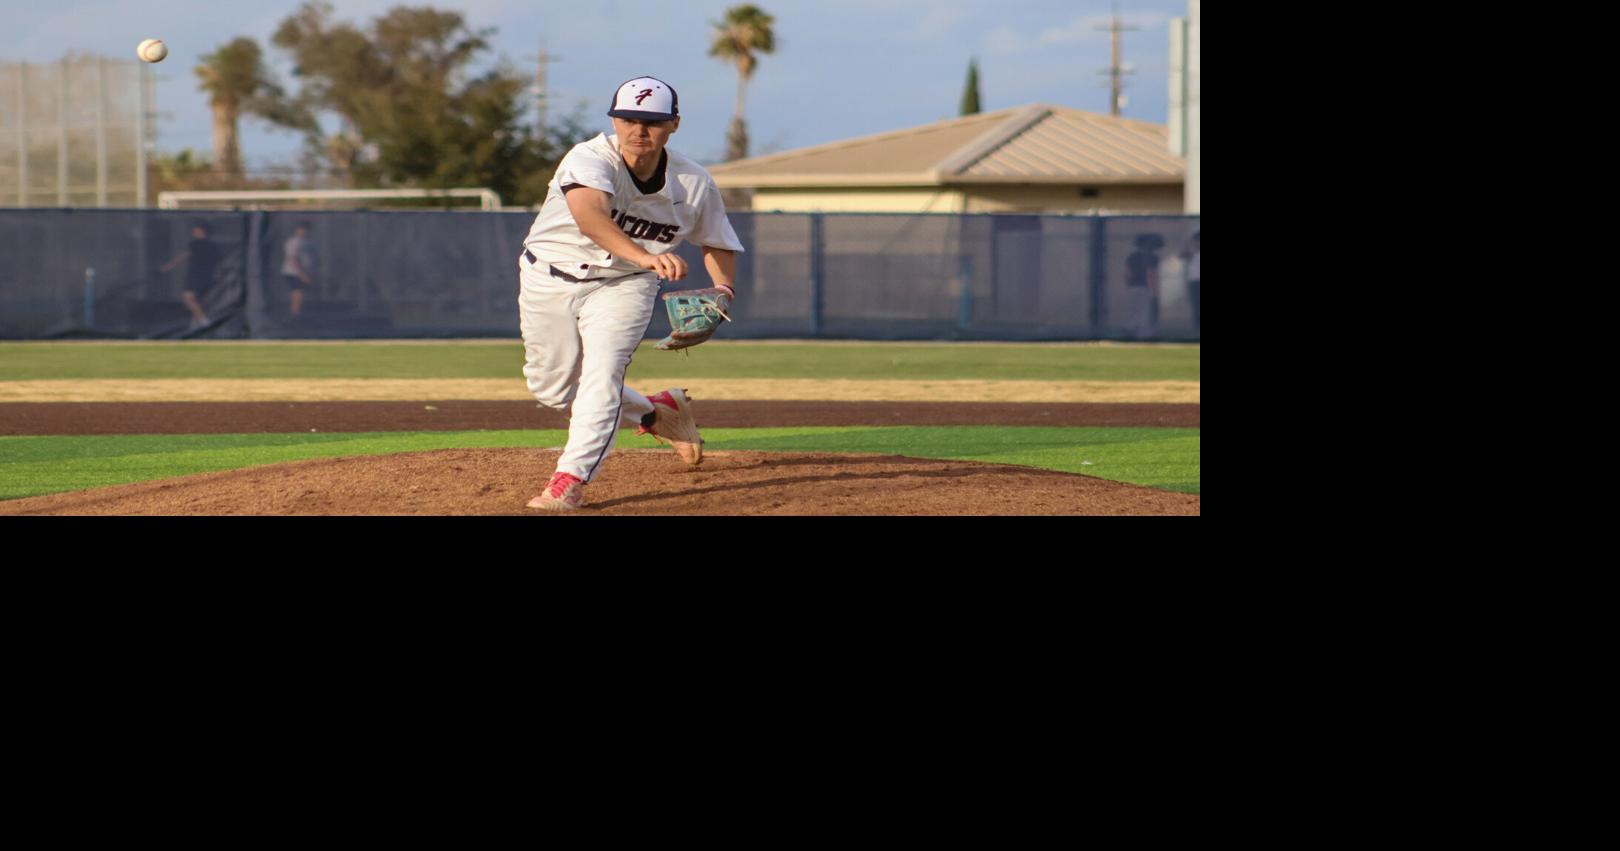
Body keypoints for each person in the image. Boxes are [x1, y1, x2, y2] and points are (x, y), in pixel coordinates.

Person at [518, 75, 744, 511]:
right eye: (628, 119)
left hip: (625, 285)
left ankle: (570, 479)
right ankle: (655, 412)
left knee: (602, 376)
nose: (639, 130)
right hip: (549, 275)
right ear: (614, 121)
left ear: (673, 125)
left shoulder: (693, 182)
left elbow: (716, 240)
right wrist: (644, 255)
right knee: (552, 390)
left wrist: (723, 291)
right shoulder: (589, 158)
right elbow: (590, 216)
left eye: (652, 121)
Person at [159, 221, 222, 330]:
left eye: (196, 229)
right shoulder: (212, 246)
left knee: (188, 298)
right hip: (206, 277)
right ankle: (195, 325)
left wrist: (167, 267)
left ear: (202, 231)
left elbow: (182, 257)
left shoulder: (196, 244)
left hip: (197, 276)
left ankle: (204, 322)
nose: (194, 231)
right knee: (197, 301)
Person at [1124, 233, 1165, 339]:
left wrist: (1128, 286)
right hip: (1145, 288)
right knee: (1145, 314)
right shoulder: (1152, 257)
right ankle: (1143, 337)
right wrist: (1155, 291)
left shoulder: (1131, 256)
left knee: (1133, 312)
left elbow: (1127, 273)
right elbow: (1150, 274)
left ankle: (1130, 333)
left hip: (1133, 287)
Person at [281, 221, 316, 319]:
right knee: (297, 292)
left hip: (302, 272)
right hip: (293, 272)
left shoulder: (307, 241)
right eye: (301, 229)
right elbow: (293, 259)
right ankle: (295, 315)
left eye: (305, 229)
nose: (303, 231)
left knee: (300, 292)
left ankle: (296, 314)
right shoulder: (293, 242)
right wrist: (302, 275)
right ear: (297, 230)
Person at [1179, 230, 1200, 334]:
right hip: (1194, 283)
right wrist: (1187, 243)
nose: (1197, 242)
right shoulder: (1192, 252)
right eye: (1196, 240)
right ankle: (1197, 328)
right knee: (1195, 305)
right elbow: (1181, 255)